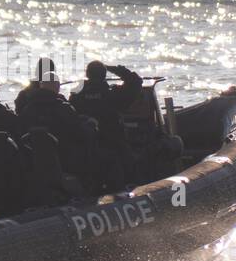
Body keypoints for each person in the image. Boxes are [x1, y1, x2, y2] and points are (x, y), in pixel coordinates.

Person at [15, 58, 99, 185]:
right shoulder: (62, 106)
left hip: (35, 155)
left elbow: (20, 124)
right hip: (63, 155)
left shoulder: (27, 105)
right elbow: (78, 131)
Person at [70, 61, 142, 189]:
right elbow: (135, 82)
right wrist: (117, 70)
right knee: (131, 162)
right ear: (104, 75)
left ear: (87, 74)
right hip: (113, 143)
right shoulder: (112, 94)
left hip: (87, 147)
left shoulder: (76, 95)